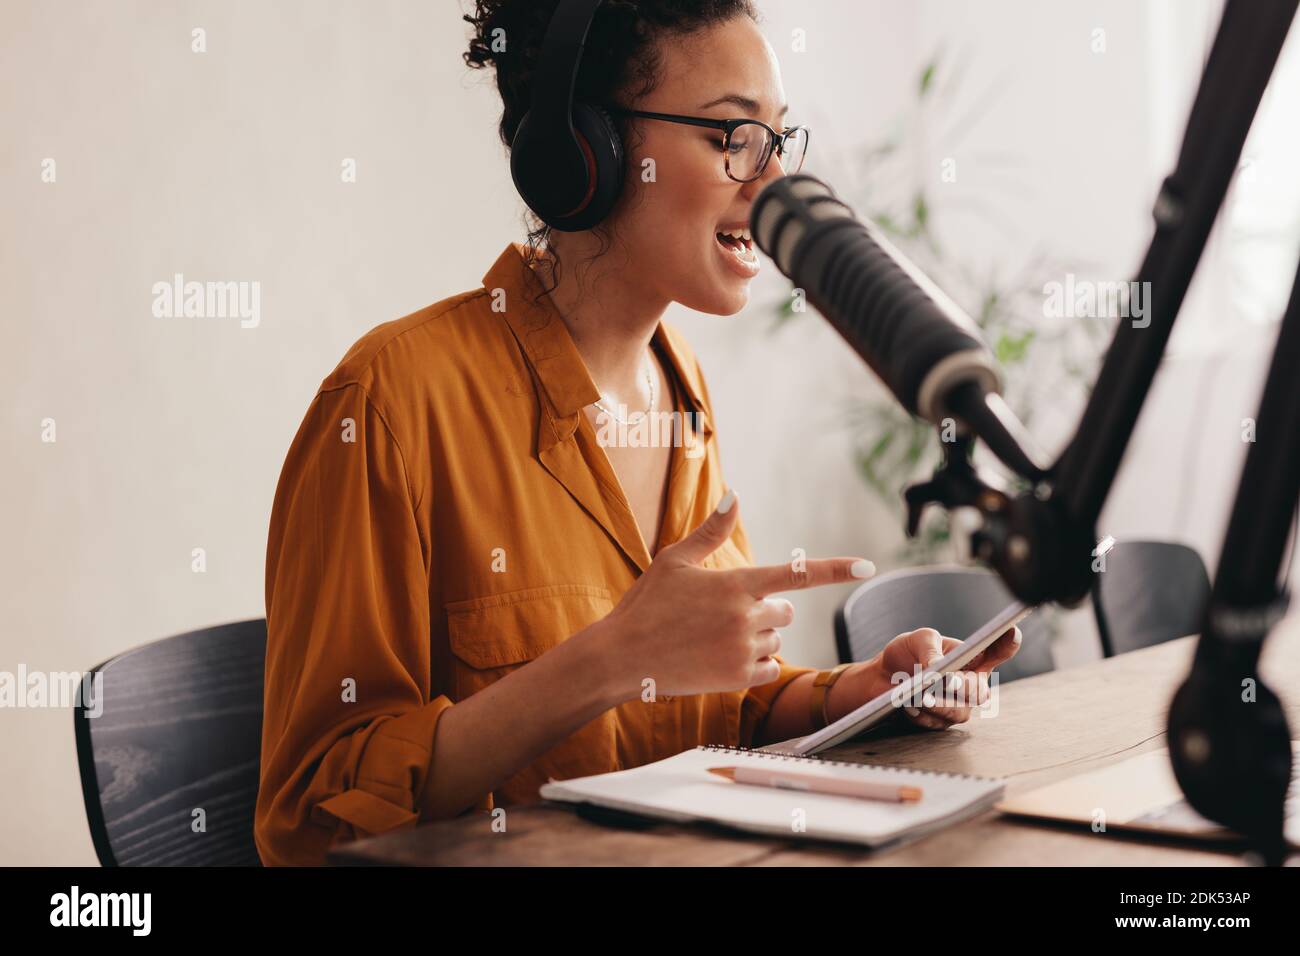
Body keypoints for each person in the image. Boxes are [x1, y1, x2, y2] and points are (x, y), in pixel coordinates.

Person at [254, 0, 1020, 866]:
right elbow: (312, 821)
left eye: (779, 138)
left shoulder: (679, 384)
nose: (771, 182)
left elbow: (709, 711)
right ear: (589, 150)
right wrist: (607, 661)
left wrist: (856, 693)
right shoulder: (392, 404)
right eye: (733, 136)